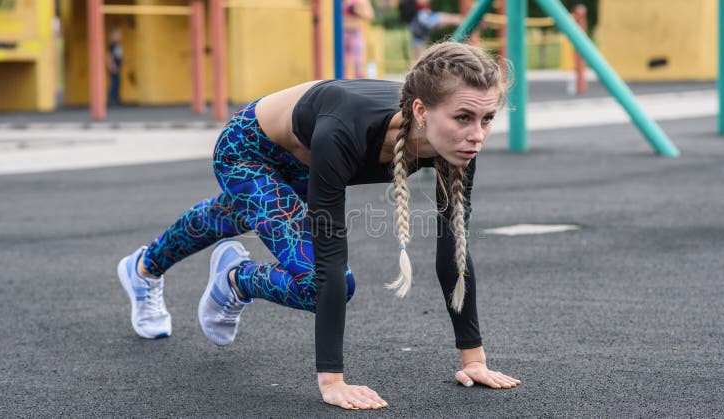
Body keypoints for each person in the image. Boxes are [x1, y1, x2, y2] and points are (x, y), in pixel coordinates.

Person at [116, 41, 520, 410]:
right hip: (250, 150)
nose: (477, 135)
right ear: (420, 112)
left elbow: (454, 252)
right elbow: (329, 259)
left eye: (487, 118)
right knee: (326, 279)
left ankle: (155, 270)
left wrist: (474, 359)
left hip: (309, 155)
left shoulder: (456, 145)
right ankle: (230, 277)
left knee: (230, 214)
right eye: (464, 118)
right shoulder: (346, 130)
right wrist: (333, 381)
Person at [342, 0, 375, 78]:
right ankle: (342, 81)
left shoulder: (362, 1)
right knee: (343, 62)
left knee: (358, 63)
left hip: (355, 33)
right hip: (343, 33)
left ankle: (359, 80)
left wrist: (357, 10)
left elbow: (370, 16)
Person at [106, 26, 124, 106]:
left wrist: (123, 61)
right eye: (118, 34)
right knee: (114, 83)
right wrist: (112, 65)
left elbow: (118, 56)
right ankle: (111, 99)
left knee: (117, 82)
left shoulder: (118, 45)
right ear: (113, 35)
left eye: (120, 34)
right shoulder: (112, 45)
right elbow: (109, 56)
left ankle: (116, 99)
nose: (120, 36)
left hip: (118, 67)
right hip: (114, 67)